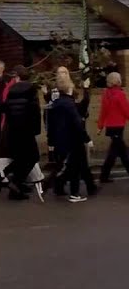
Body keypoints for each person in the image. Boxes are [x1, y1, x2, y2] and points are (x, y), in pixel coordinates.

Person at [48, 75, 95, 203]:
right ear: (69, 87)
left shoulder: (56, 103)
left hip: (61, 140)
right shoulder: (69, 104)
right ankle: (73, 193)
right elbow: (77, 123)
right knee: (73, 168)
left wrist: (51, 141)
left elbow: (51, 124)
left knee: (71, 166)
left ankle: (61, 187)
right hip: (73, 140)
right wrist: (87, 139)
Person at [1, 66, 42, 199]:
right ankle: (14, 178)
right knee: (32, 157)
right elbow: (35, 111)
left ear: (18, 77)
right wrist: (36, 130)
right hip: (27, 130)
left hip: (13, 129)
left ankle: (15, 187)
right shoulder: (31, 90)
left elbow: (5, 108)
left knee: (20, 157)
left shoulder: (12, 90)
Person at [97, 71, 129, 183]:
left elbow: (103, 111)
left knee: (117, 151)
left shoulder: (106, 94)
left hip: (110, 127)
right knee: (121, 152)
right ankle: (103, 176)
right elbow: (126, 110)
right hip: (118, 125)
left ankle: (104, 176)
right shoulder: (120, 94)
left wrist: (100, 126)